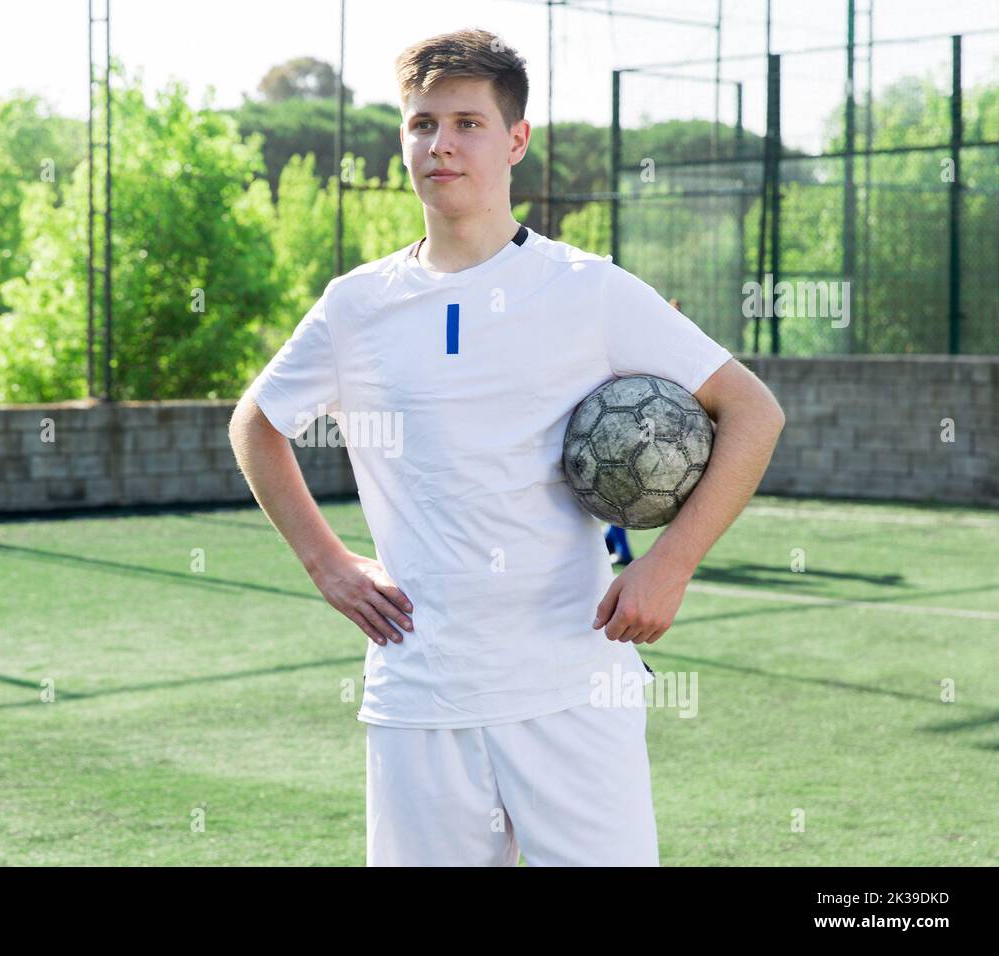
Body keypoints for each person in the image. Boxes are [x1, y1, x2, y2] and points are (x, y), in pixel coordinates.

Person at [229, 27, 785, 866]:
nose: (441, 144)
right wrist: (328, 563)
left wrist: (669, 563)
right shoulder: (356, 306)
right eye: (421, 124)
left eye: (468, 123)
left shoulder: (587, 288)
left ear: (516, 139)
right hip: (421, 696)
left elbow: (753, 411)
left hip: (573, 689)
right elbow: (257, 423)